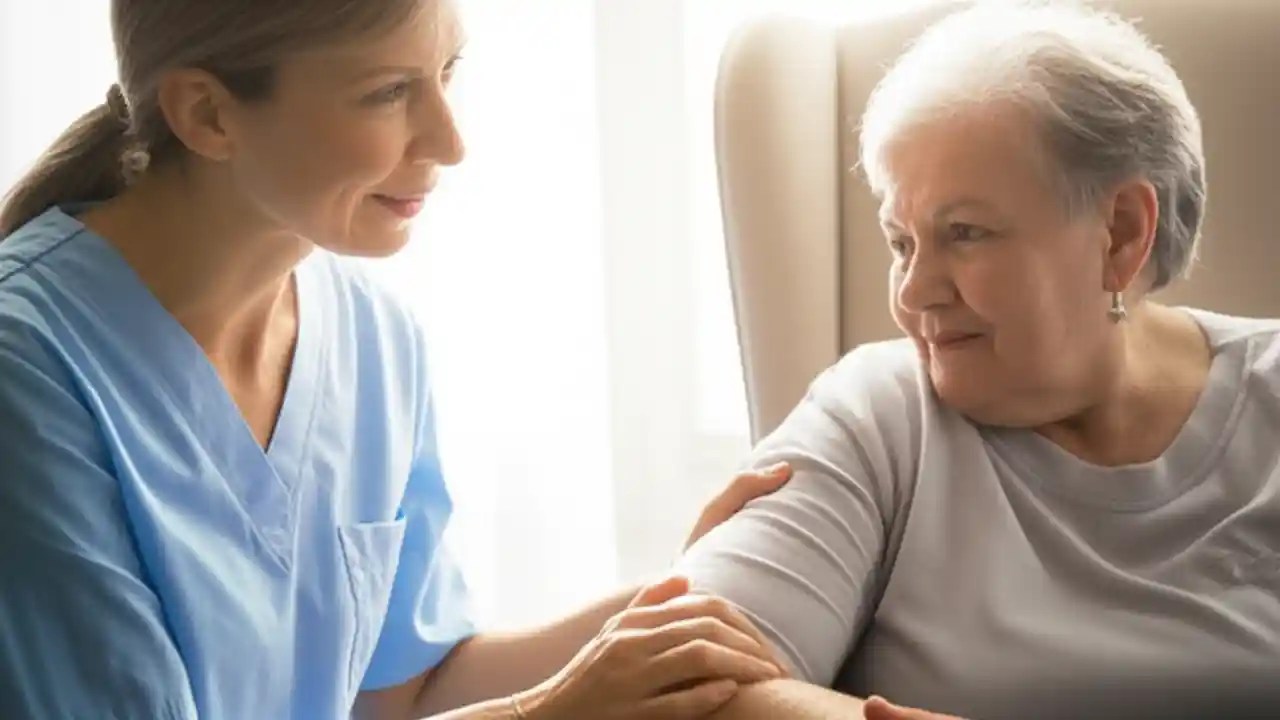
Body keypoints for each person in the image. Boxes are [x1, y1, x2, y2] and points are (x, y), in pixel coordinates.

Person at [0, 1, 791, 719]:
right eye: (388, 92)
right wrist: (545, 714)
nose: (451, 140)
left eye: (448, 73)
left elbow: (406, 690)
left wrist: (681, 593)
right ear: (208, 114)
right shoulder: (26, 371)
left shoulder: (372, 336)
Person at [673, 2, 1280, 719]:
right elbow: (680, 685)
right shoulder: (875, 415)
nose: (914, 292)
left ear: (1119, 234)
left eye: (964, 232)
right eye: (902, 242)